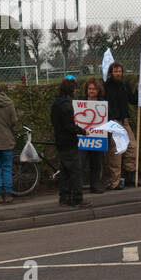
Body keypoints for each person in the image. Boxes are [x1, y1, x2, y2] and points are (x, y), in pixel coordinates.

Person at [50, 76, 89, 206]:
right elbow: (70, 126)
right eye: (74, 89)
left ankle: (64, 198)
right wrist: (83, 131)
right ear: (70, 90)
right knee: (75, 172)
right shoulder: (66, 105)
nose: (75, 91)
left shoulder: (56, 103)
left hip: (60, 142)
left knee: (65, 172)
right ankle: (77, 199)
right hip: (69, 143)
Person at [102, 61, 141, 189]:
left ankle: (131, 178)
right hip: (114, 123)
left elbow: (133, 100)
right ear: (111, 73)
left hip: (125, 121)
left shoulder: (125, 85)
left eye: (120, 71)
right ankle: (115, 181)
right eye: (115, 71)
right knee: (116, 153)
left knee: (132, 148)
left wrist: (140, 89)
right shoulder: (106, 87)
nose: (118, 74)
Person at [82, 77, 109, 193]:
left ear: (98, 91)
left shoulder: (102, 104)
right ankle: (78, 186)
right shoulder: (81, 102)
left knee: (96, 163)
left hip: (98, 138)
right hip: (83, 138)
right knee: (81, 163)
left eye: (94, 89)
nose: (91, 91)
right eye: (89, 89)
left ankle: (95, 185)